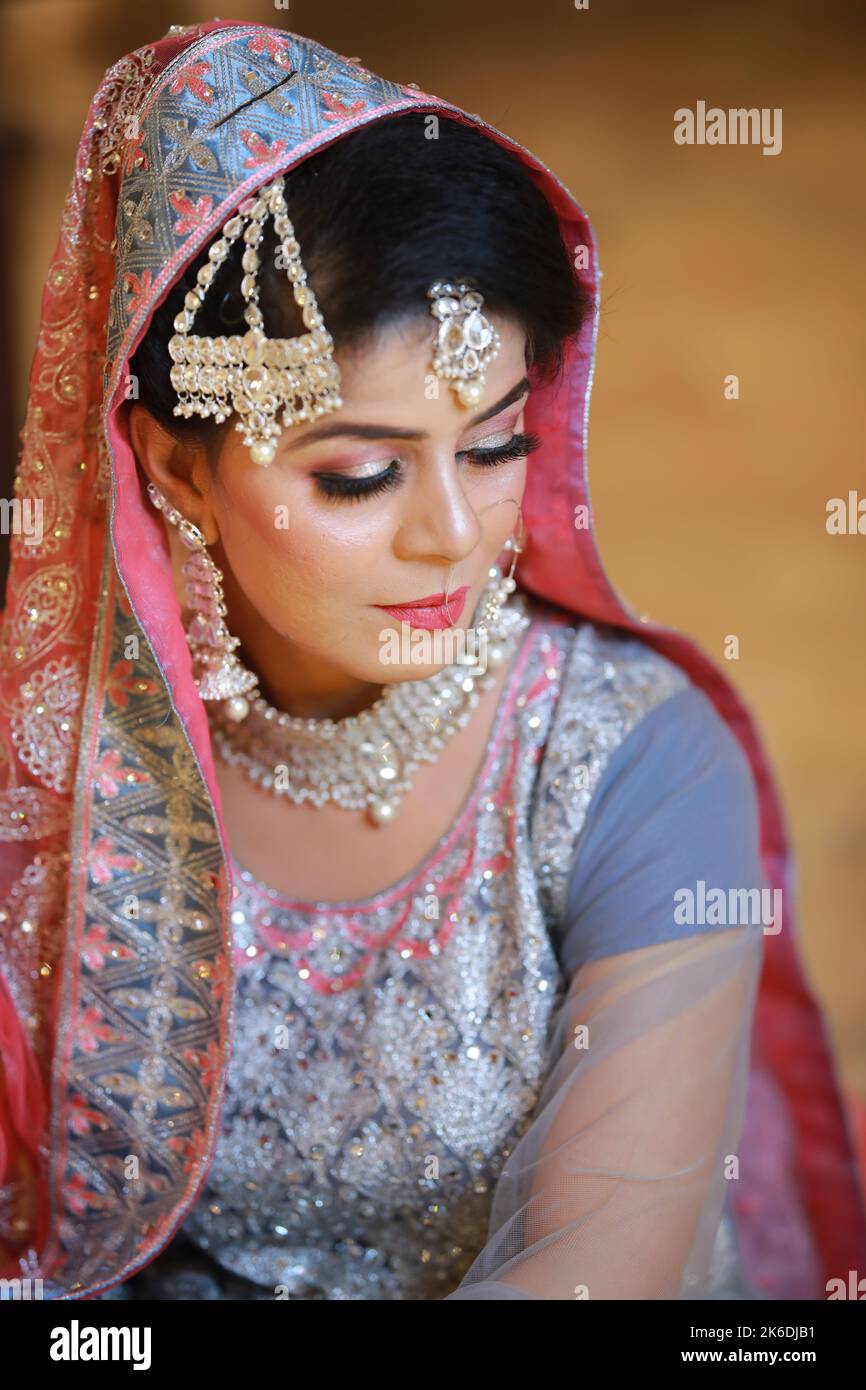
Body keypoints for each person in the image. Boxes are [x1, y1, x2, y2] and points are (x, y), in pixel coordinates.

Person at [0, 18, 863, 1303]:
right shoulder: (56, 759)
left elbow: (604, 1266)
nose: (452, 537)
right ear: (175, 465)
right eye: (359, 472)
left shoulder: (631, 760)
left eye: (495, 446)